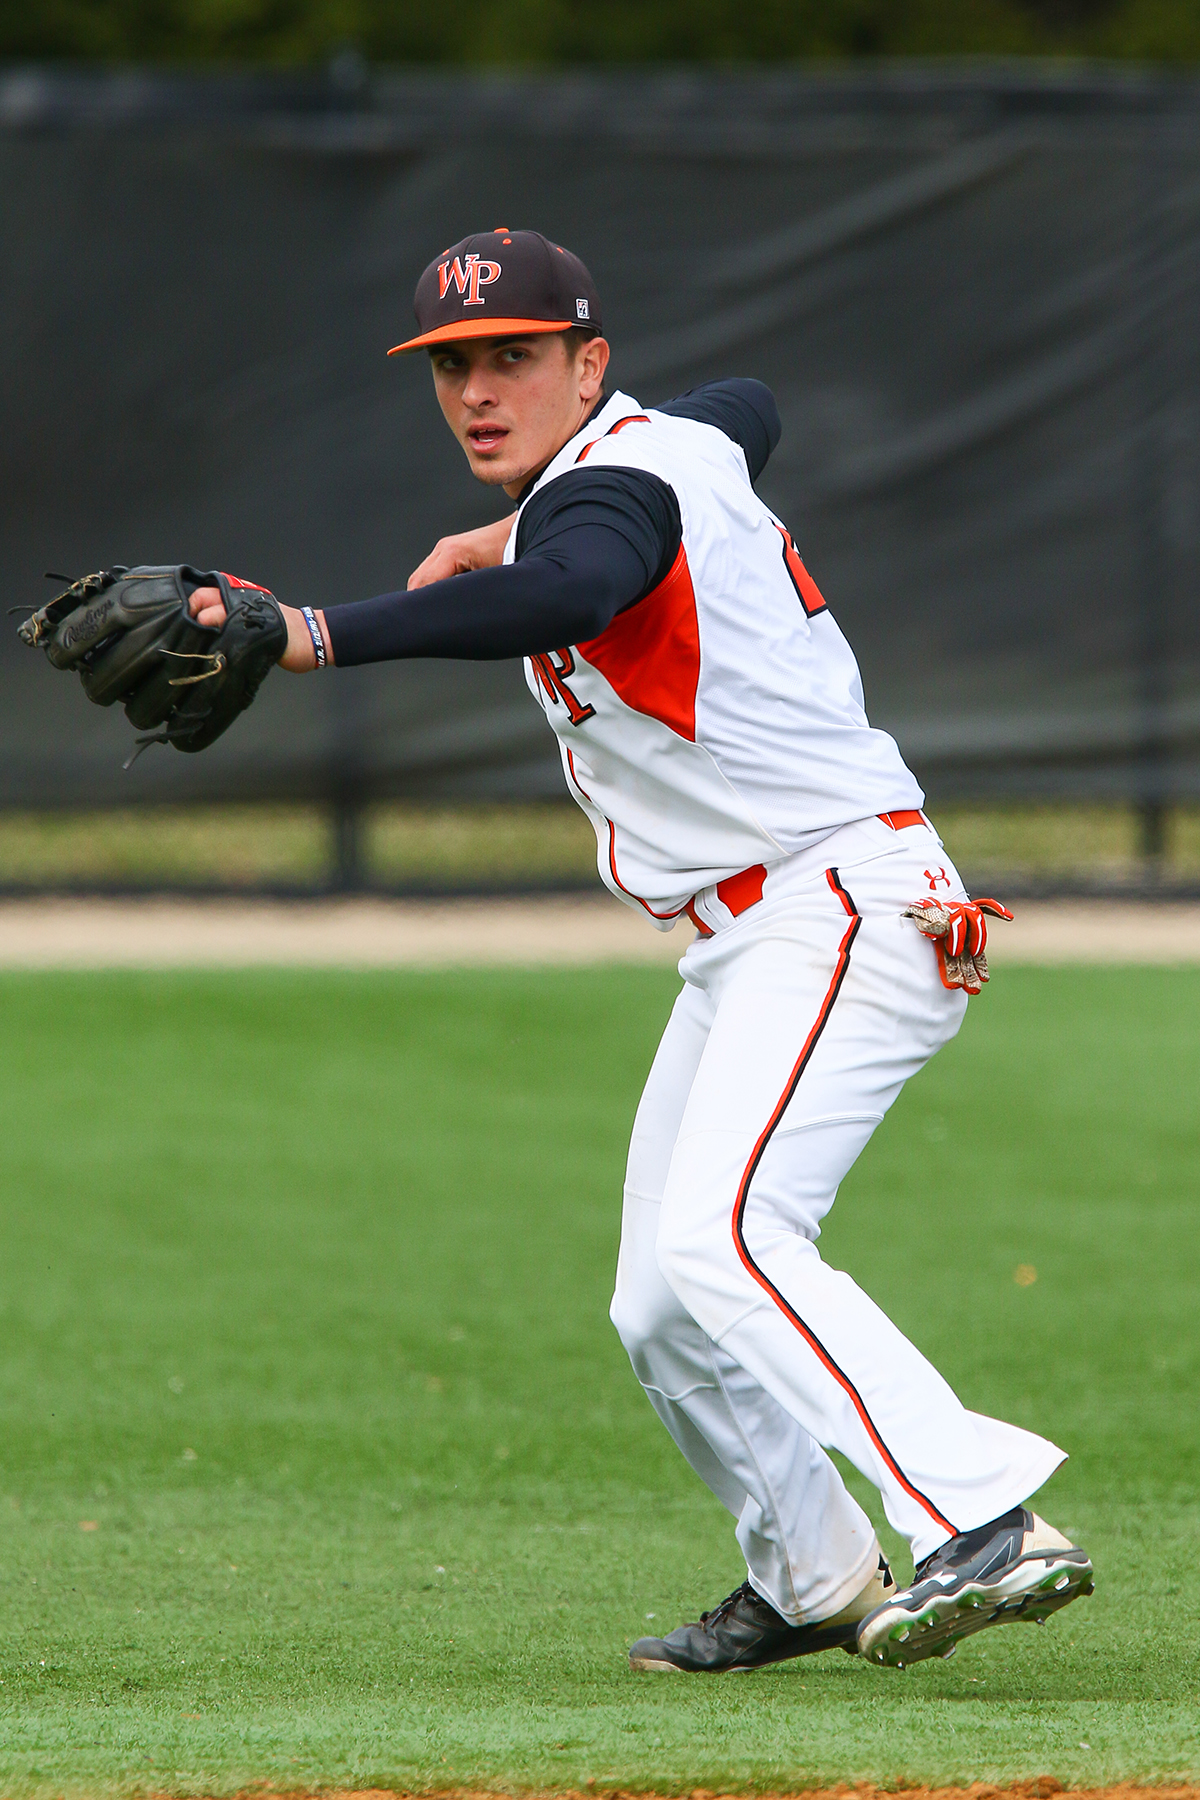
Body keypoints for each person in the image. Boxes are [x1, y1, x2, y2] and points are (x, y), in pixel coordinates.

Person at [188, 229, 1093, 1674]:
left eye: (518, 356)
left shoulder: (613, 494)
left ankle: (981, 1518)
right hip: (753, 933)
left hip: (839, 902)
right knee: (662, 1304)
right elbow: (750, 400)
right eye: (456, 365)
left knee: (729, 1236)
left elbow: (572, 592)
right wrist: (521, 519)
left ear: (587, 362)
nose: (482, 389)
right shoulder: (662, 448)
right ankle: (811, 1575)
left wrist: (313, 633)